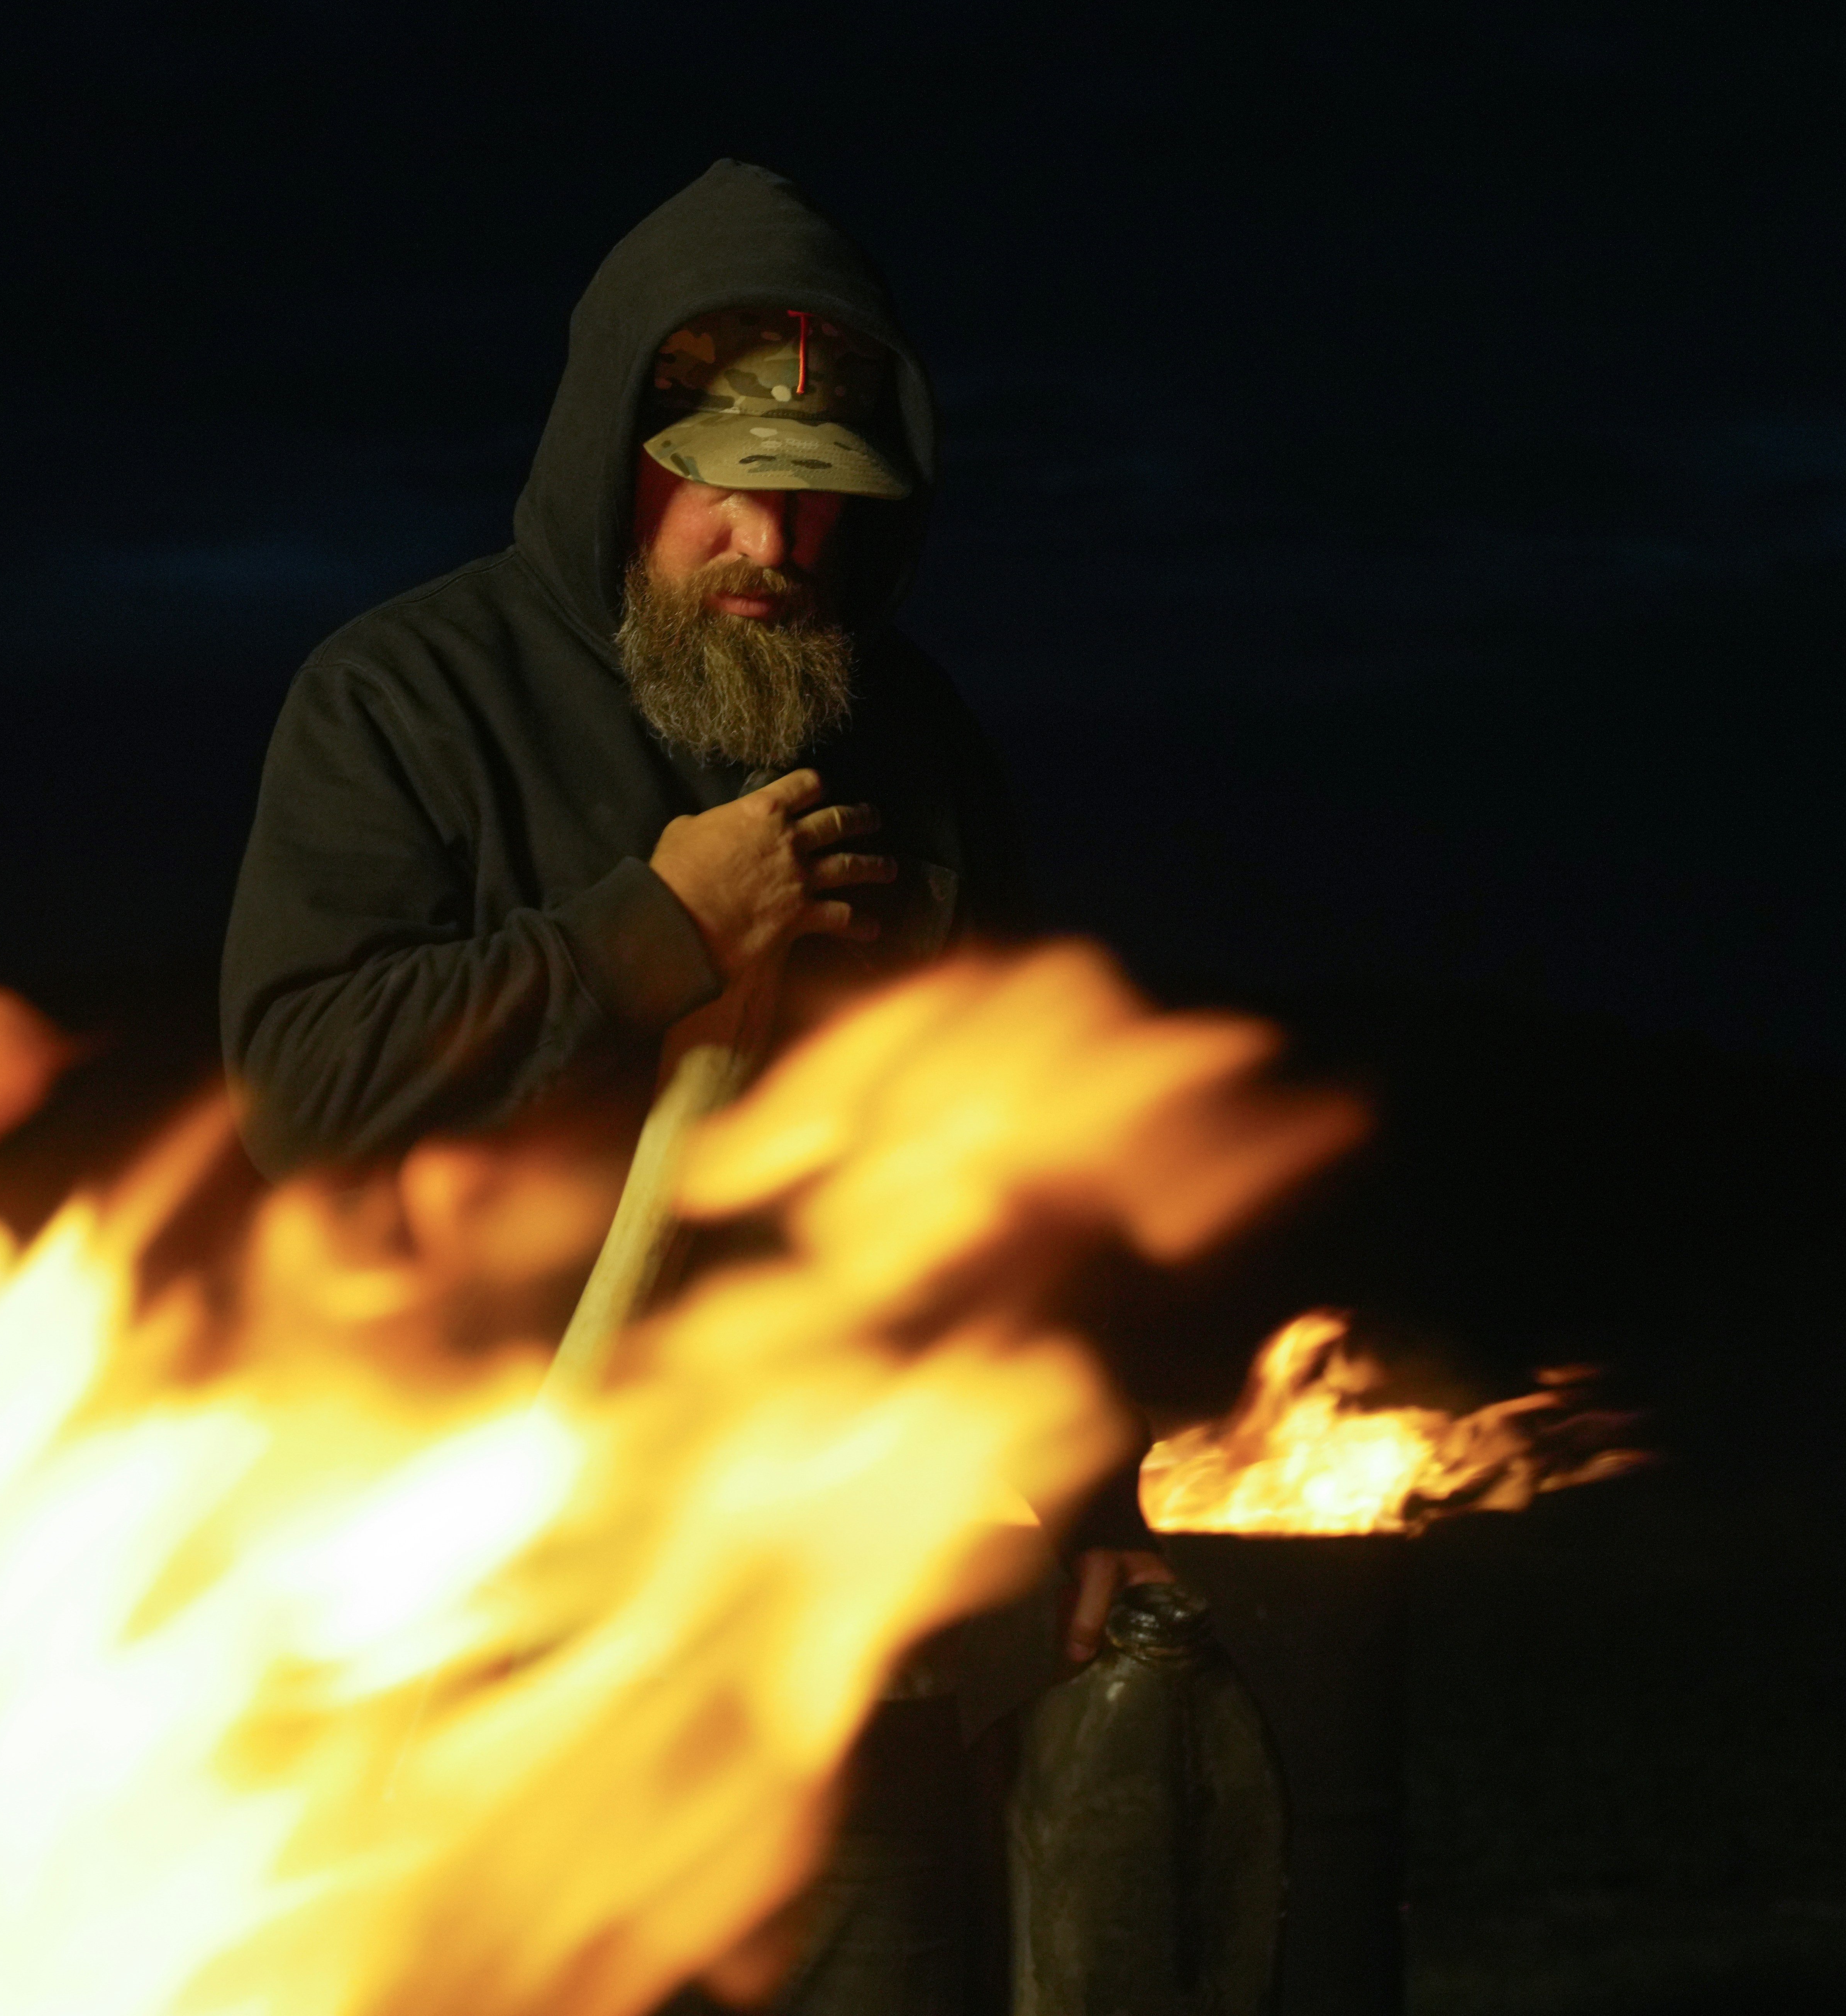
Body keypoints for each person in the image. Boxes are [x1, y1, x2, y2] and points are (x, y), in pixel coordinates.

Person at [220, 159, 1166, 2012]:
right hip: (491, 1641)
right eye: (731, 494)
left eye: (822, 508)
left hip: (838, 1652)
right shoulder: (410, 699)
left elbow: (1020, 1148)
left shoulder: (911, 739)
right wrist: (646, 932)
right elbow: (303, 1087)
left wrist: (1096, 1483)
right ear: (626, 460)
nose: (775, 554)